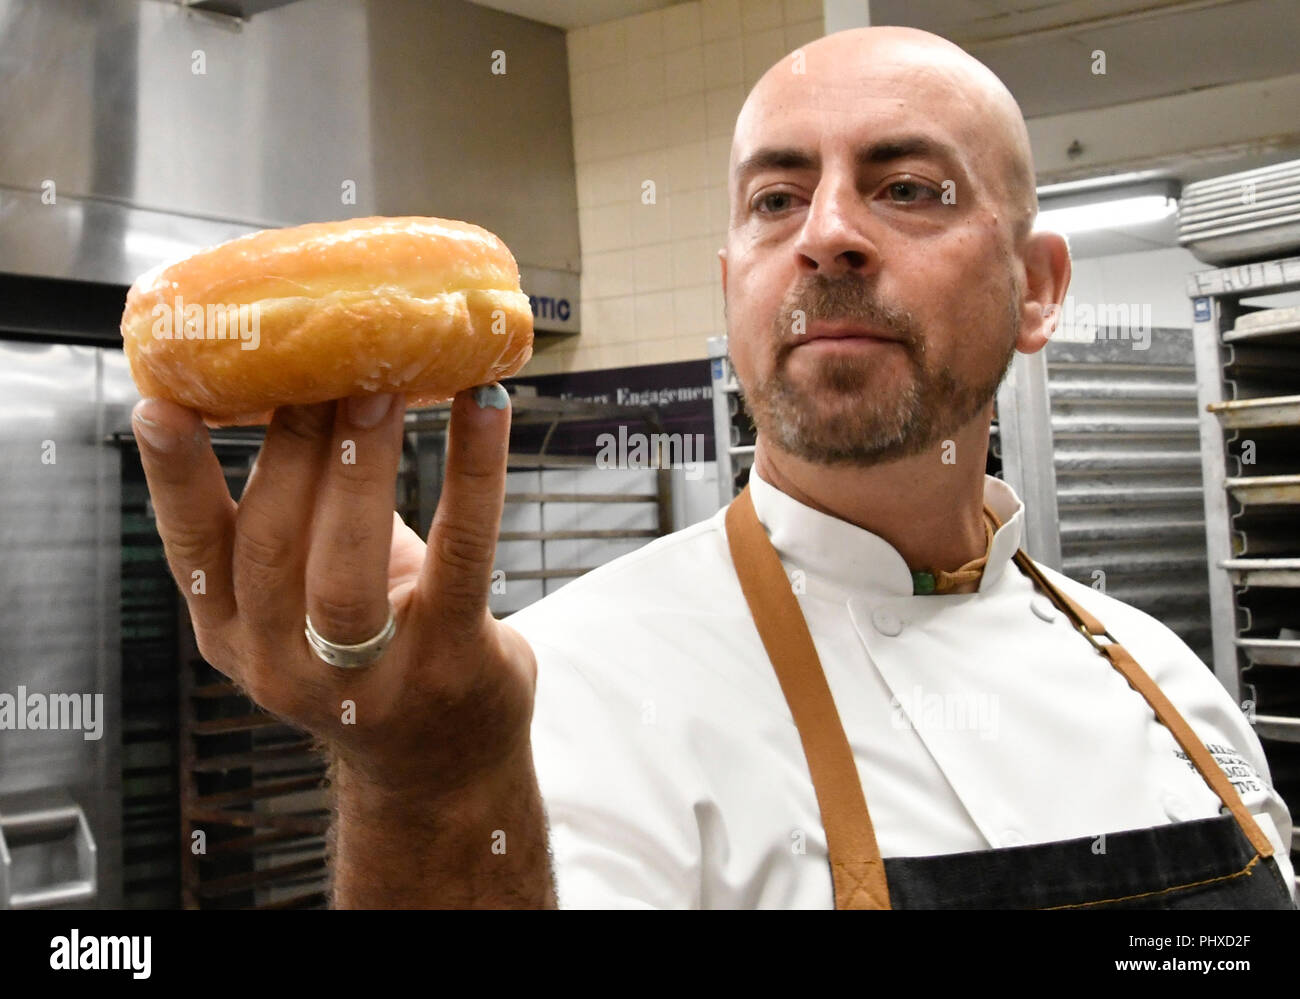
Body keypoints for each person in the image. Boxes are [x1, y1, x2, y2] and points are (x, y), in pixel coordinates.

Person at [130, 26, 1295, 909]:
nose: (826, 233)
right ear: (731, 284)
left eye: (908, 189)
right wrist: (425, 785)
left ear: (1037, 289)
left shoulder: (1167, 687)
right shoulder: (559, 695)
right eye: (776, 198)